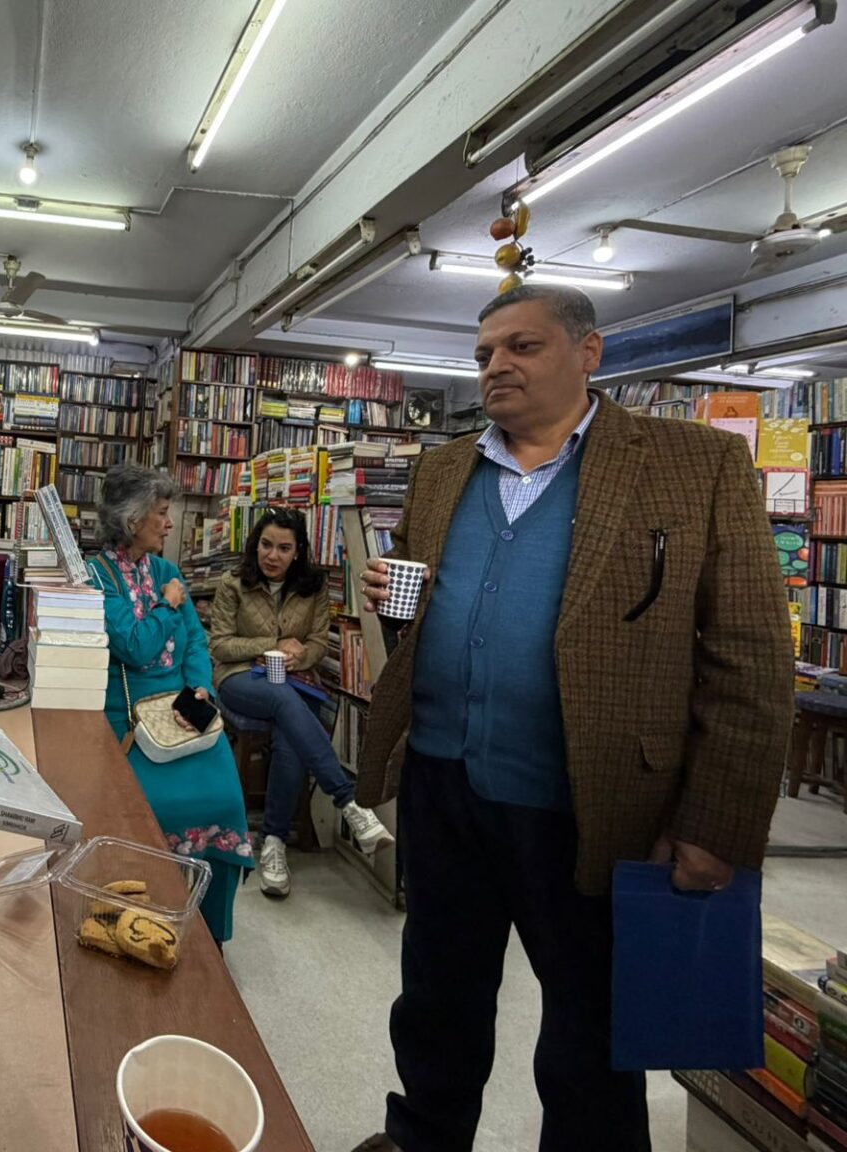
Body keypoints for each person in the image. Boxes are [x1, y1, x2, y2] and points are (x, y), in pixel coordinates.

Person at [352, 284, 793, 1152]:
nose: (497, 366)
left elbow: (751, 659)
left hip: (592, 801)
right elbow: (432, 591)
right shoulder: (445, 469)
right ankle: (422, 1138)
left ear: (589, 354)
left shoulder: (693, 464)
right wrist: (395, 594)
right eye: (484, 354)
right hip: (444, 783)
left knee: (589, 1031)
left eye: (523, 346)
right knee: (436, 999)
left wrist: (716, 826)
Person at [90, 464, 254, 944]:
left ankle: (210, 935)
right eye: (161, 513)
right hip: (129, 713)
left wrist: (201, 688)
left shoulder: (167, 572)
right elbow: (136, 647)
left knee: (226, 797)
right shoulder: (97, 577)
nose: (169, 523)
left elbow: (197, 643)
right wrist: (167, 604)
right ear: (132, 518)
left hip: (184, 703)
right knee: (158, 807)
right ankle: (143, 919)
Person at [209, 508, 391, 897]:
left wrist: (299, 657)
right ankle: (348, 800)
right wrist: (272, 645)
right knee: (283, 700)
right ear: (256, 544)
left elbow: (318, 642)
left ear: (298, 551)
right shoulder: (233, 583)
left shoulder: (314, 585)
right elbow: (220, 645)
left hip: (295, 680)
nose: (272, 555)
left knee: (290, 731)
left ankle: (273, 843)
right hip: (239, 677)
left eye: (283, 548)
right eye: (266, 545)